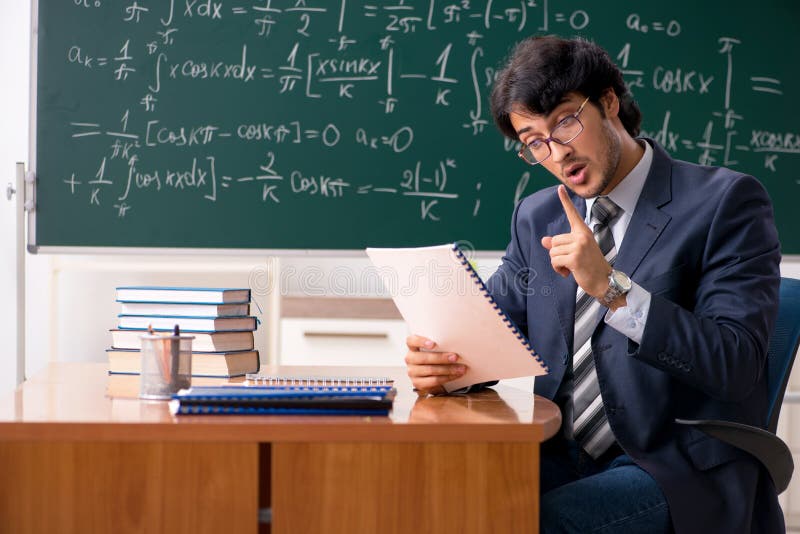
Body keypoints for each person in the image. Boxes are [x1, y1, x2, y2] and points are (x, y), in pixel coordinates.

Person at [404, 36, 783, 533]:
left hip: (675, 467)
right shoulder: (538, 215)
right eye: (534, 141)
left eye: (565, 121)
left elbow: (735, 364)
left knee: (530, 522)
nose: (556, 153)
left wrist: (611, 289)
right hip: (557, 449)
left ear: (608, 102)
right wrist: (445, 363)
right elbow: (491, 331)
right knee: (430, 504)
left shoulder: (725, 203)